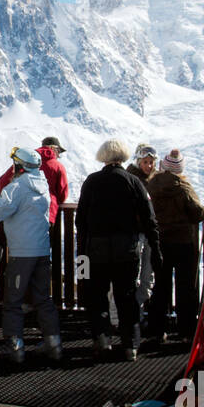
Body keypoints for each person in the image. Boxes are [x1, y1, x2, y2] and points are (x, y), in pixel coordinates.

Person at [0, 147, 61, 364]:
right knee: (43, 299)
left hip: (21, 253)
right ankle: (53, 343)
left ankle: (15, 347)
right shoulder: (43, 186)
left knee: (13, 300)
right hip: (41, 251)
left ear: (19, 166)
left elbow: (1, 209)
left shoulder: (18, 186)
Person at [76, 139, 161, 362]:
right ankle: (130, 345)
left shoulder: (91, 182)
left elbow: (81, 221)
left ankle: (102, 339)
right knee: (127, 298)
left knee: (97, 297)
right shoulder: (133, 182)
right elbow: (149, 218)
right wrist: (156, 248)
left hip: (96, 250)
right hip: (127, 250)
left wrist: (80, 258)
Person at [146, 148, 204, 341]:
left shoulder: (152, 185)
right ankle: (186, 330)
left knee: (160, 286)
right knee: (185, 287)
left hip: (160, 241)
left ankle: (157, 328)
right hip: (183, 242)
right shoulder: (183, 187)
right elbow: (197, 213)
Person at [0, 136, 68, 225]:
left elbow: (3, 183)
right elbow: (62, 195)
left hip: (20, 213)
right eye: (59, 152)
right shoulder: (58, 166)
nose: (58, 155)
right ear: (53, 148)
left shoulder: (23, 161)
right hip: (45, 214)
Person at [125, 144, 158, 310]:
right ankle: (131, 313)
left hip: (150, 233)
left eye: (151, 162)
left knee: (147, 275)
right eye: (145, 162)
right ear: (139, 162)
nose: (149, 166)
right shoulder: (131, 178)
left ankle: (139, 309)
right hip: (136, 234)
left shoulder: (156, 179)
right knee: (133, 274)